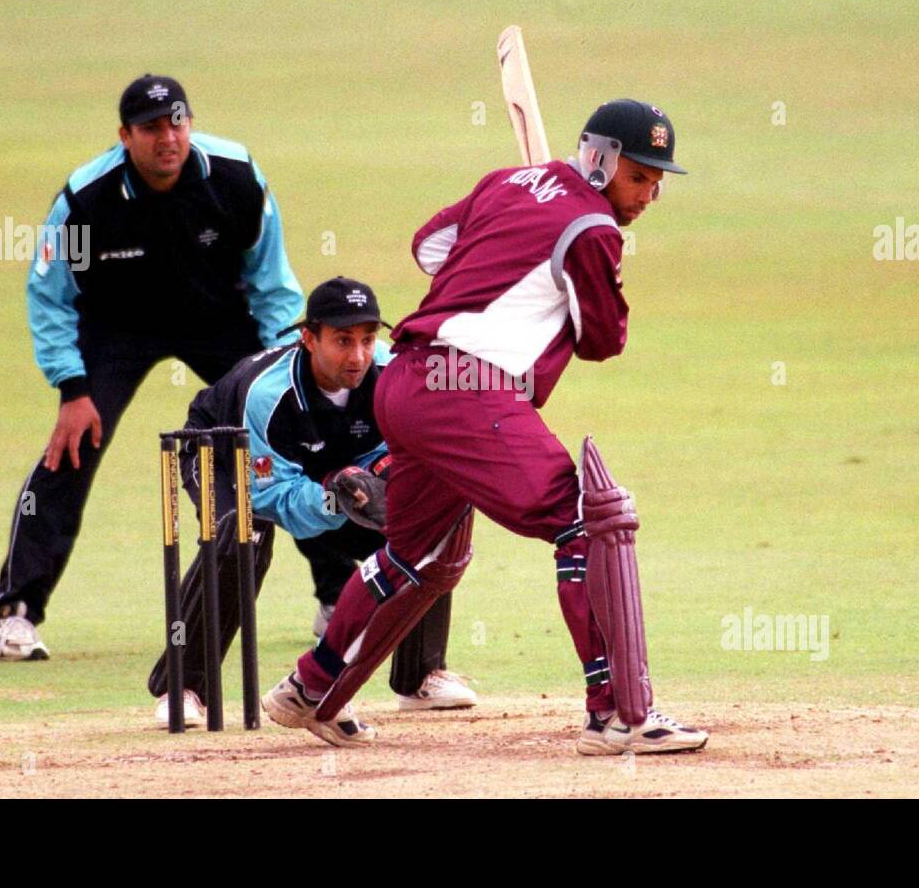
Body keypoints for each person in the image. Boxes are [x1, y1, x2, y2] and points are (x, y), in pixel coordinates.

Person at [262, 99, 709, 754]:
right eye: (640, 176)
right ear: (603, 160)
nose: (651, 193)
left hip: (406, 383)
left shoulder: (508, 183)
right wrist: (577, 267)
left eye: (658, 180)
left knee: (415, 555)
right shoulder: (591, 230)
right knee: (585, 521)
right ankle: (615, 715)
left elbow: (430, 247)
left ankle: (312, 689)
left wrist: (511, 260)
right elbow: (603, 339)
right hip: (466, 392)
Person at [0, 74, 304, 660]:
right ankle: (14, 611)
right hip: (115, 330)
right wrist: (71, 386)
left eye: (177, 122)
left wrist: (286, 370)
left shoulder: (235, 177)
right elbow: (50, 295)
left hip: (216, 318)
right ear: (124, 136)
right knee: (74, 447)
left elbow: (274, 285)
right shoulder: (86, 199)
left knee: (295, 432)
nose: (168, 138)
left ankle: (337, 593)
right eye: (152, 128)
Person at [147, 278, 476, 727]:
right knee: (243, 533)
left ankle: (420, 675)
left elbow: (398, 448)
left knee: (427, 517)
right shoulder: (268, 395)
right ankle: (182, 686)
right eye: (342, 341)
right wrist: (337, 498)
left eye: (366, 339)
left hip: (325, 456)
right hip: (221, 450)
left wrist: (375, 476)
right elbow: (271, 496)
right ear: (308, 338)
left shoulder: (389, 374)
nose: (357, 356)